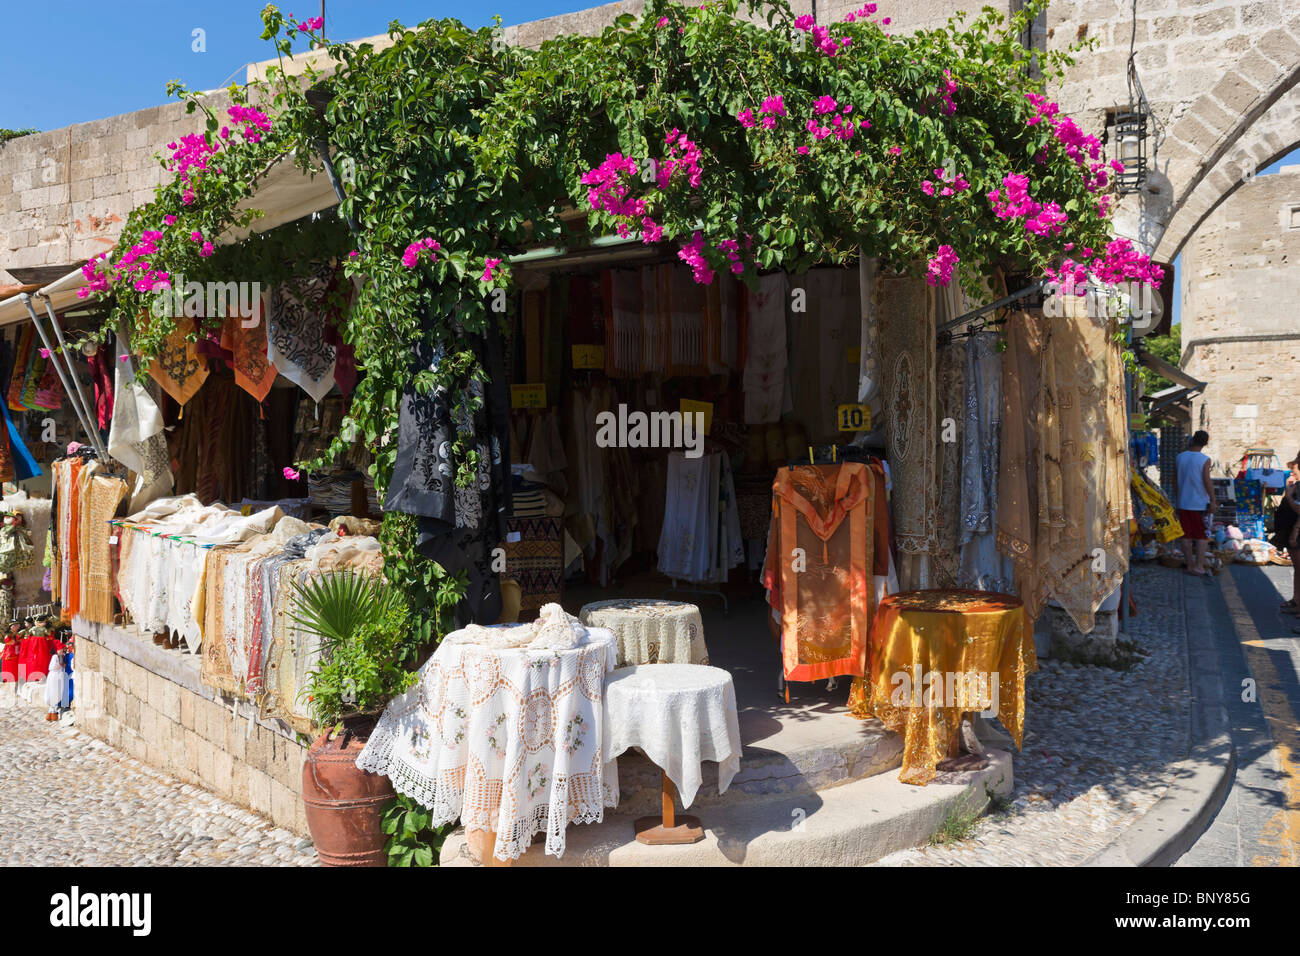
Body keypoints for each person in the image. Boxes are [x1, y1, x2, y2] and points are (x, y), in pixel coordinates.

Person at [1175, 430, 1215, 580]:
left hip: (1183, 502)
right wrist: (1213, 500)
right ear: (1205, 443)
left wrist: (1178, 499)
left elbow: (1175, 480)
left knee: (1186, 534)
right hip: (1198, 503)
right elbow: (1206, 480)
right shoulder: (1204, 459)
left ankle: (1189, 564)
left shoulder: (1180, 457)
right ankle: (1198, 566)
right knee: (1201, 536)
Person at [1274, 452, 1300, 618]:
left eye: (1295, 465)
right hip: (1292, 532)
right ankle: (1297, 601)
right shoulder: (1297, 484)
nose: (1292, 469)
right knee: (1297, 569)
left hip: (1296, 534)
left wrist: (1289, 495)